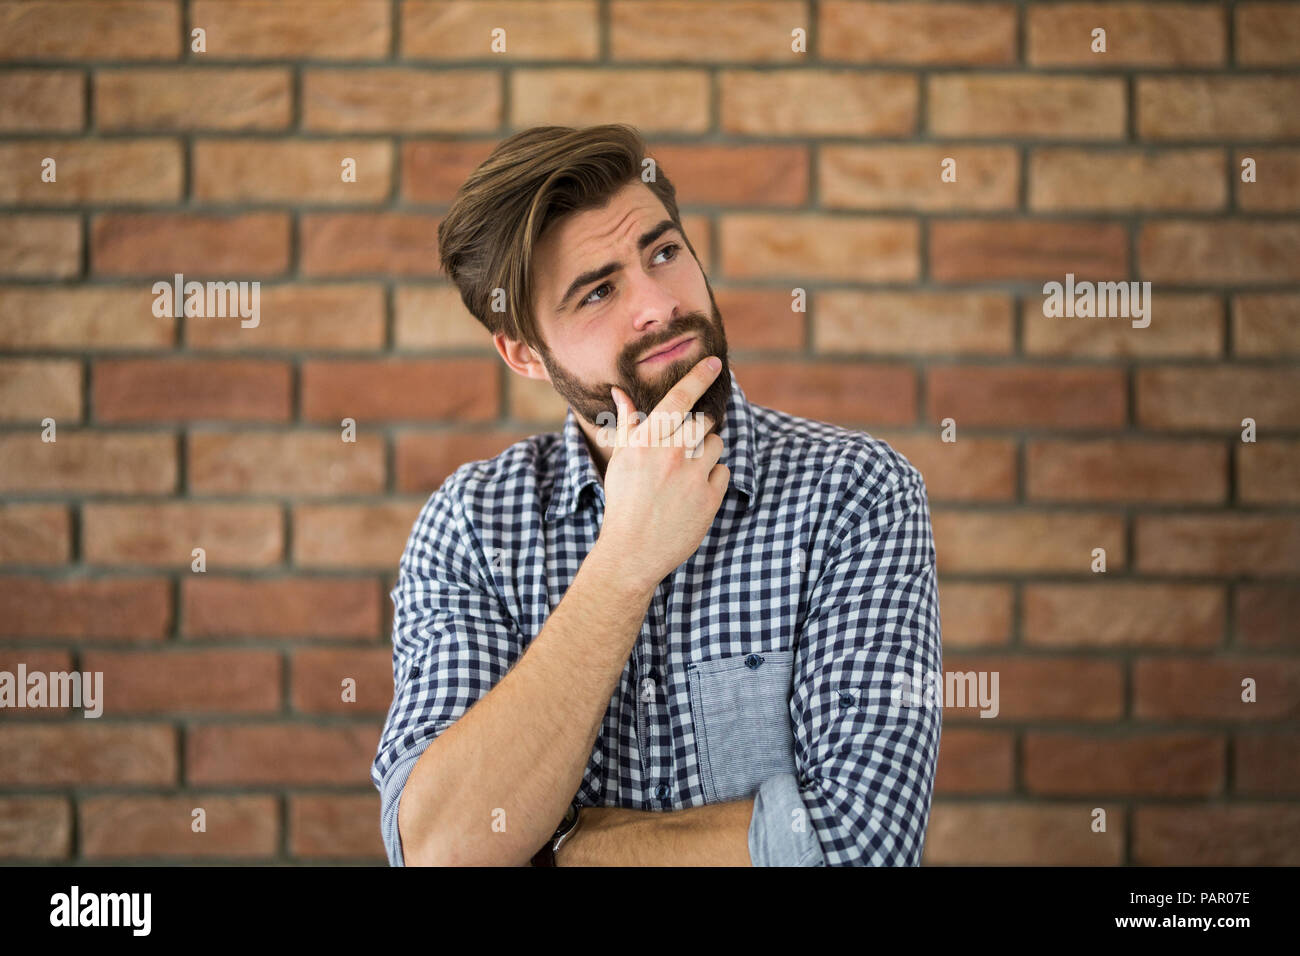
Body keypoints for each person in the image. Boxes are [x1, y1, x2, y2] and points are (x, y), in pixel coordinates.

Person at [371, 124, 942, 866]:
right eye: (599, 291)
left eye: (664, 254)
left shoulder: (856, 495)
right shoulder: (474, 528)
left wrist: (558, 847)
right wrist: (623, 567)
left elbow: (862, 844)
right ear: (523, 352)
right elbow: (443, 850)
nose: (658, 304)